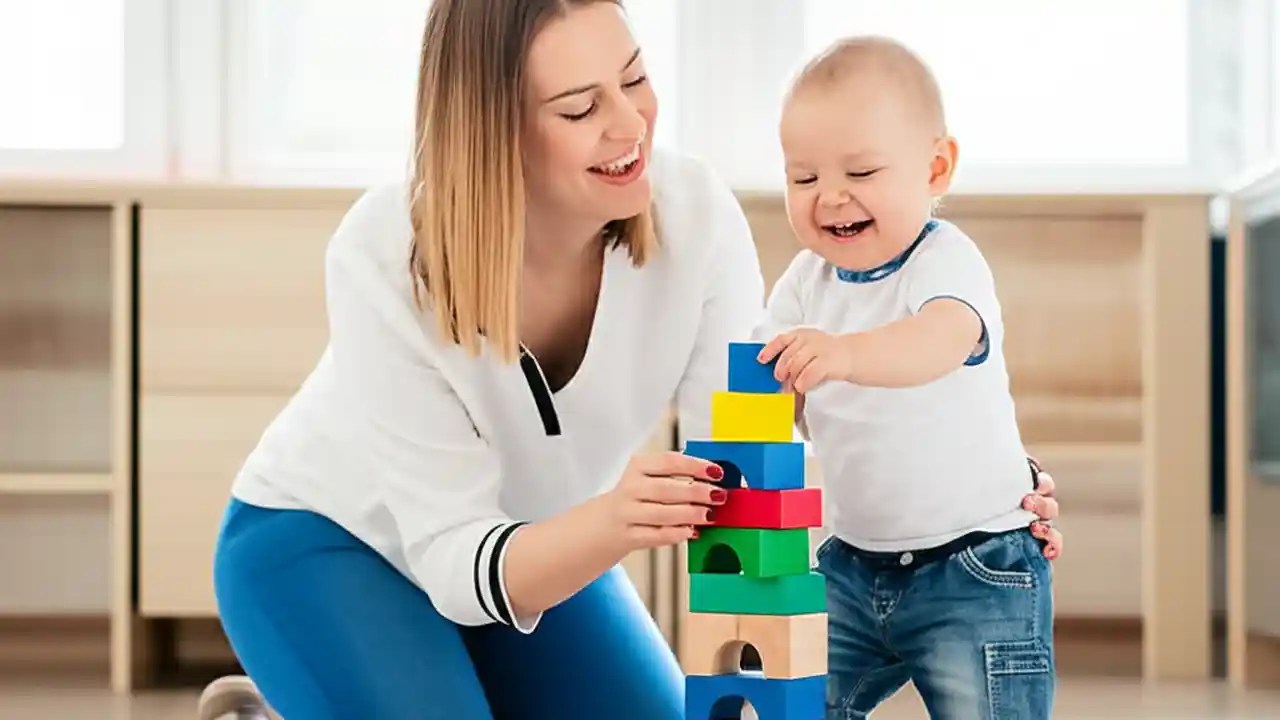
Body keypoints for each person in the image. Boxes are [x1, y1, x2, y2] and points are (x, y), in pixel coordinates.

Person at [204, 3, 1062, 719]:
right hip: (329, 541)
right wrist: (617, 520)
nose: (631, 126)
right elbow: (458, 564)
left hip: (552, 545)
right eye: (581, 109)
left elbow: (757, 453)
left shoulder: (695, 220)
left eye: (637, 78)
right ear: (494, 132)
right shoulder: (383, 254)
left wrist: (961, 506)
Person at [755, 36, 1057, 719]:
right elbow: (764, 375)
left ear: (936, 167)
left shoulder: (946, 261)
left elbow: (940, 341)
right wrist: (773, 387)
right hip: (848, 566)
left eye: (860, 173)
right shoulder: (805, 282)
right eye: (803, 178)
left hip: (975, 566)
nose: (830, 197)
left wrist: (842, 355)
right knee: (798, 701)